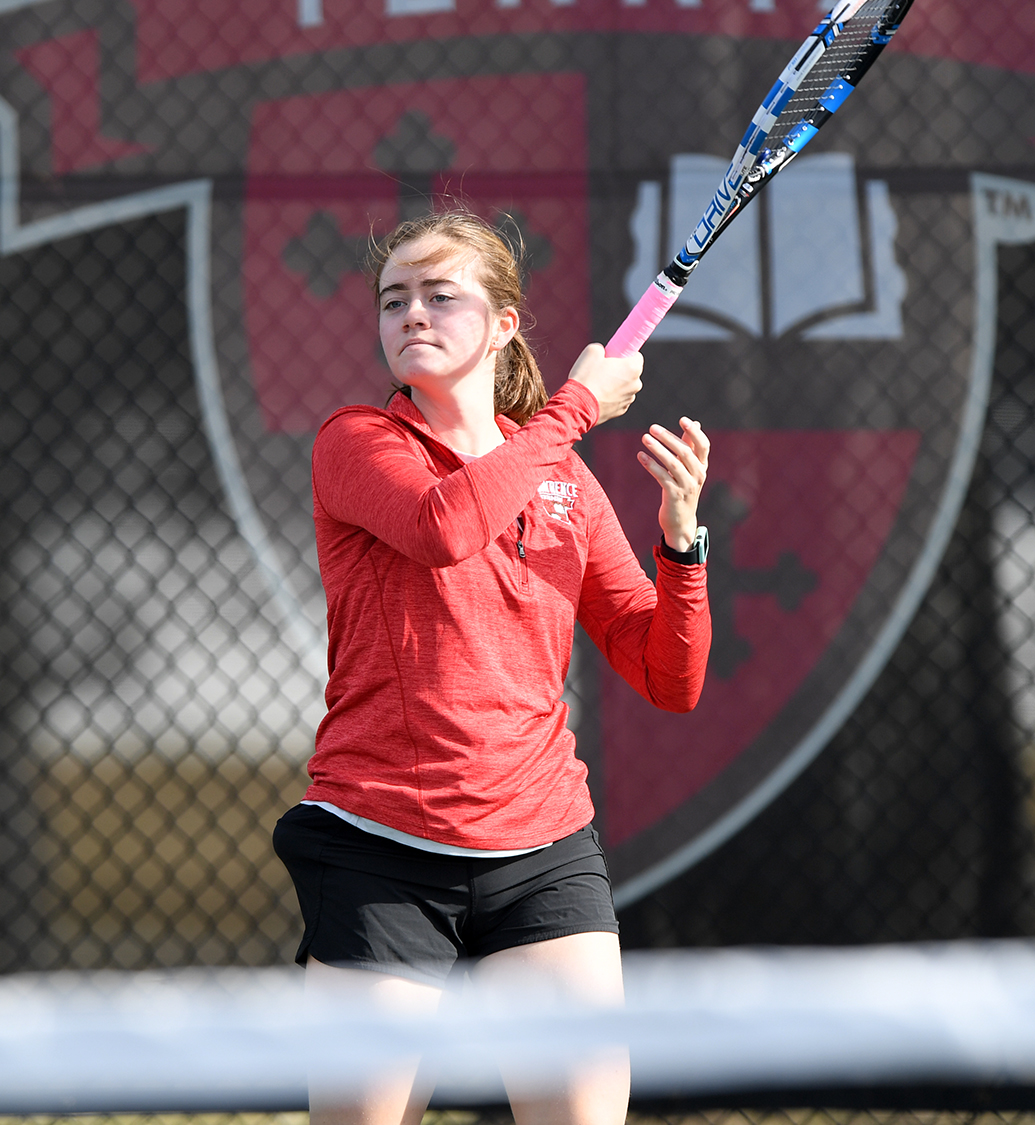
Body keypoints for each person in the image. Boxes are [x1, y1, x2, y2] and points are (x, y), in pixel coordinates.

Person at [272, 209, 713, 1125]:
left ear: (504, 323)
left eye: (441, 295)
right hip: (379, 848)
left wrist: (683, 546)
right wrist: (577, 408)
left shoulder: (564, 481)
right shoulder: (356, 443)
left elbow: (668, 676)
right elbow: (443, 526)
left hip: (545, 854)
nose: (412, 315)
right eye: (394, 300)